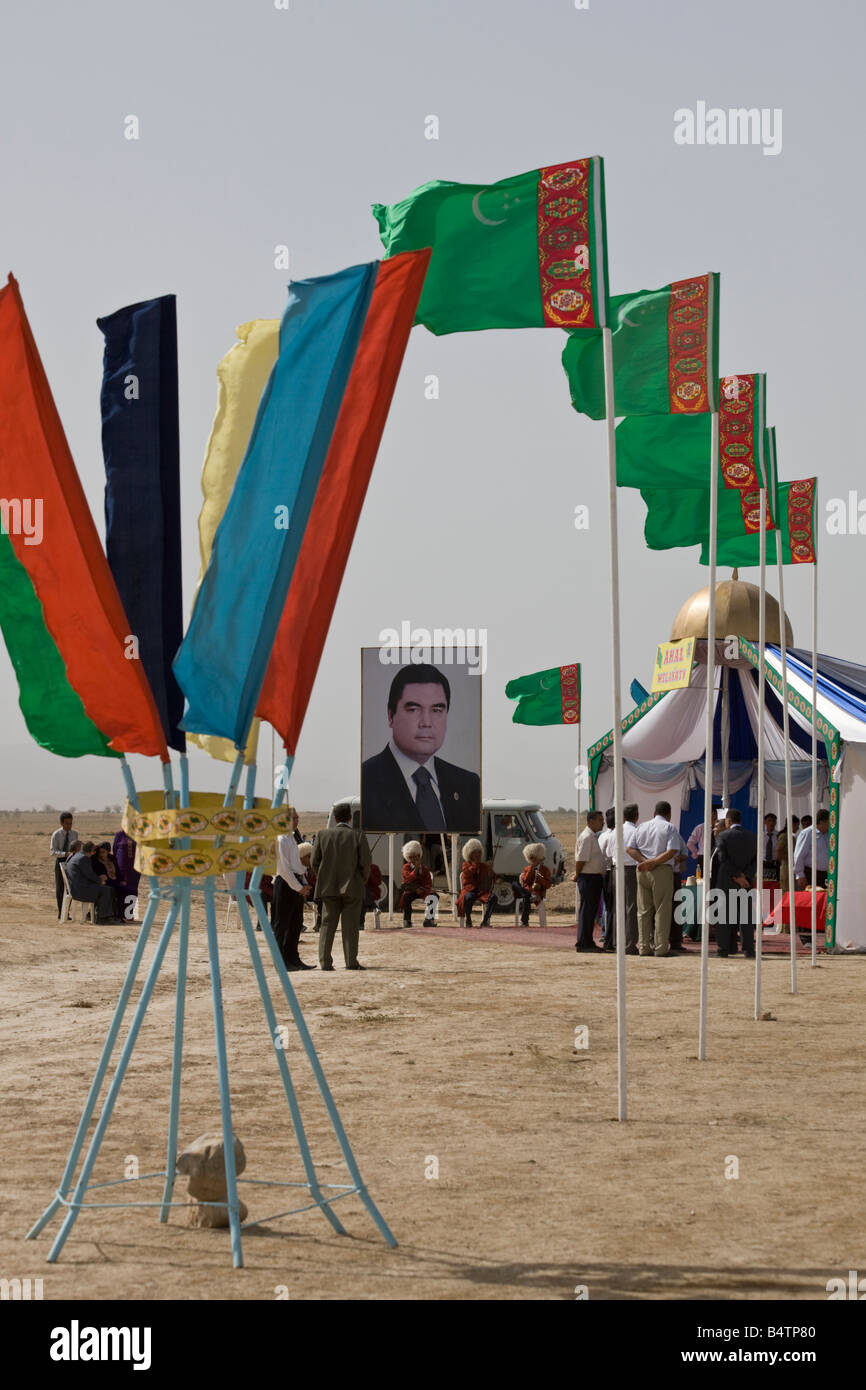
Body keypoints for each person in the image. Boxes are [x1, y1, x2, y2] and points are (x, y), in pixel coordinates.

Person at [361, 663, 481, 832]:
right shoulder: (366, 781)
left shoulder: (468, 784)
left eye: (437, 710)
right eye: (413, 709)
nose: (426, 722)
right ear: (391, 716)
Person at [311, 803, 371, 970]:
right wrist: (361, 880)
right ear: (350, 818)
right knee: (350, 926)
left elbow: (314, 862)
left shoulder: (322, 835)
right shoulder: (358, 835)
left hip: (328, 887)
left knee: (327, 925)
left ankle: (325, 962)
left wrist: (323, 877)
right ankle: (351, 962)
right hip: (353, 887)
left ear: (335, 818)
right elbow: (366, 863)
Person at [633, 801, 687, 957]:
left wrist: (645, 861)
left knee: (643, 910)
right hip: (661, 870)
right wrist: (654, 862)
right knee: (662, 909)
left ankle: (644, 947)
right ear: (668, 814)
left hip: (642, 870)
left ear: (654, 813)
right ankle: (661, 948)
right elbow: (672, 851)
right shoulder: (669, 827)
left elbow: (630, 848)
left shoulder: (641, 827)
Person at [713, 808, 757, 958]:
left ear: (728, 821)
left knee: (724, 917)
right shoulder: (752, 836)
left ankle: (723, 949)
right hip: (746, 882)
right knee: (745, 917)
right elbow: (756, 861)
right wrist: (745, 876)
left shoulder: (723, 836)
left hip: (727, 881)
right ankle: (748, 949)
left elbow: (723, 859)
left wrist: (736, 875)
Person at [272, 826, 314, 971]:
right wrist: (298, 887)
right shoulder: (281, 839)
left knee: (296, 923)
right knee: (282, 925)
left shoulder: (292, 837)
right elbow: (283, 868)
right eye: (293, 818)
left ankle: (293, 959)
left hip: (295, 883)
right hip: (285, 883)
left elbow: (297, 865)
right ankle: (281, 962)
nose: (296, 821)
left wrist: (303, 883)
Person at [572, 810, 607, 953]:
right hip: (588, 878)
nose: (603, 823)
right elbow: (581, 860)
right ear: (591, 821)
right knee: (587, 911)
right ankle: (583, 943)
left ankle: (588, 940)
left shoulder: (593, 836)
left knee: (590, 911)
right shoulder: (587, 837)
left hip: (593, 878)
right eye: (600, 820)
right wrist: (577, 874)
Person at [64, 841, 120, 923]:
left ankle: (101, 915)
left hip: (76, 887)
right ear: (91, 851)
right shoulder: (84, 858)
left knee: (108, 889)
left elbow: (87, 875)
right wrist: (100, 880)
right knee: (106, 890)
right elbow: (90, 875)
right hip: (80, 890)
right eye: (94, 851)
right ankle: (102, 918)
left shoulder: (77, 856)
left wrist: (98, 879)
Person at [457, 838, 497, 928]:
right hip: (469, 890)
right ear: (470, 854)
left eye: (479, 852)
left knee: (493, 897)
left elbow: (493, 878)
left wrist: (490, 872)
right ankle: (468, 920)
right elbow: (468, 873)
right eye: (475, 852)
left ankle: (485, 921)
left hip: (481, 891)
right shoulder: (466, 864)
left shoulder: (483, 866)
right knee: (468, 897)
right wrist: (476, 864)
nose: (478, 854)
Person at [50, 812, 78, 919]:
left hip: (71, 862)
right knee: (60, 888)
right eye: (67, 823)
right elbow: (52, 852)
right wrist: (65, 854)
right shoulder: (56, 834)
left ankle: (66, 912)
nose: (69, 826)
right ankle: (60, 912)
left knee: (69, 888)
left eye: (71, 823)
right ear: (61, 823)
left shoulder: (74, 834)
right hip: (60, 861)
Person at [515, 843, 551, 928]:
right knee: (523, 893)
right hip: (528, 892)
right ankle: (525, 923)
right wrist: (531, 869)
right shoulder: (527, 869)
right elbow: (525, 881)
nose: (532, 860)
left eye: (534, 857)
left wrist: (540, 879)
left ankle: (526, 922)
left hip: (538, 894)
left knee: (527, 897)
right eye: (531, 858)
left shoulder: (545, 870)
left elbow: (548, 885)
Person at [398, 841, 433, 926]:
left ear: (419, 856)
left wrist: (423, 889)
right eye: (411, 857)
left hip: (423, 891)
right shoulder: (406, 867)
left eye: (415, 856)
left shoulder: (425, 869)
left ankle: (428, 920)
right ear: (408, 858)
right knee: (406, 897)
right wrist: (416, 869)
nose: (413, 859)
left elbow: (429, 883)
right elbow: (408, 879)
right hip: (411, 891)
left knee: (434, 896)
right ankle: (407, 920)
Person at [794, 810, 829, 889]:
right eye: (829, 823)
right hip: (810, 874)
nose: (831, 825)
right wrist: (800, 875)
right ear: (822, 822)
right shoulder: (807, 833)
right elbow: (799, 855)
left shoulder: (829, 834)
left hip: (826, 875)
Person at [598, 809, 616, 951]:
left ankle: (606, 932)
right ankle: (608, 934)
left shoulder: (603, 835)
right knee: (610, 906)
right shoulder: (613, 836)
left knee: (608, 905)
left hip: (606, 872)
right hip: (610, 872)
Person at [112, 828, 140, 921]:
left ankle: (128, 914)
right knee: (121, 888)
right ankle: (119, 914)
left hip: (134, 869)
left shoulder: (138, 834)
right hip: (121, 867)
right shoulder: (119, 835)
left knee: (132, 889)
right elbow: (115, 850)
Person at [686, 807, 718, 877]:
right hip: (703, 857)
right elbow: (690, 843)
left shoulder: (721, 828)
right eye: (713, 814)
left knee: (715, 877)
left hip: (716, 857)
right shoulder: (700, 827)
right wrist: (696, 853)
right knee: (702, 878)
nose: (714, 817)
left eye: (716, 815)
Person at [777, 815, 800, 895]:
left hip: (791, 867)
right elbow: (778, 853)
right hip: (786, 868)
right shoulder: (784, 836)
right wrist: (792, 857)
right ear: (792, 824)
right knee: (787, 892)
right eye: (797, 825)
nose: (798, 828)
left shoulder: (791, 836)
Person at [762, 812, 779, 880]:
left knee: (775, 884)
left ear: (776, 822)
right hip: (763, 864)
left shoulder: (779, 835)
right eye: (769, 821)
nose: (771, 823)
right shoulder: (760, 835)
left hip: (775, 864)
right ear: (765, 822)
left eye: (773, 821)